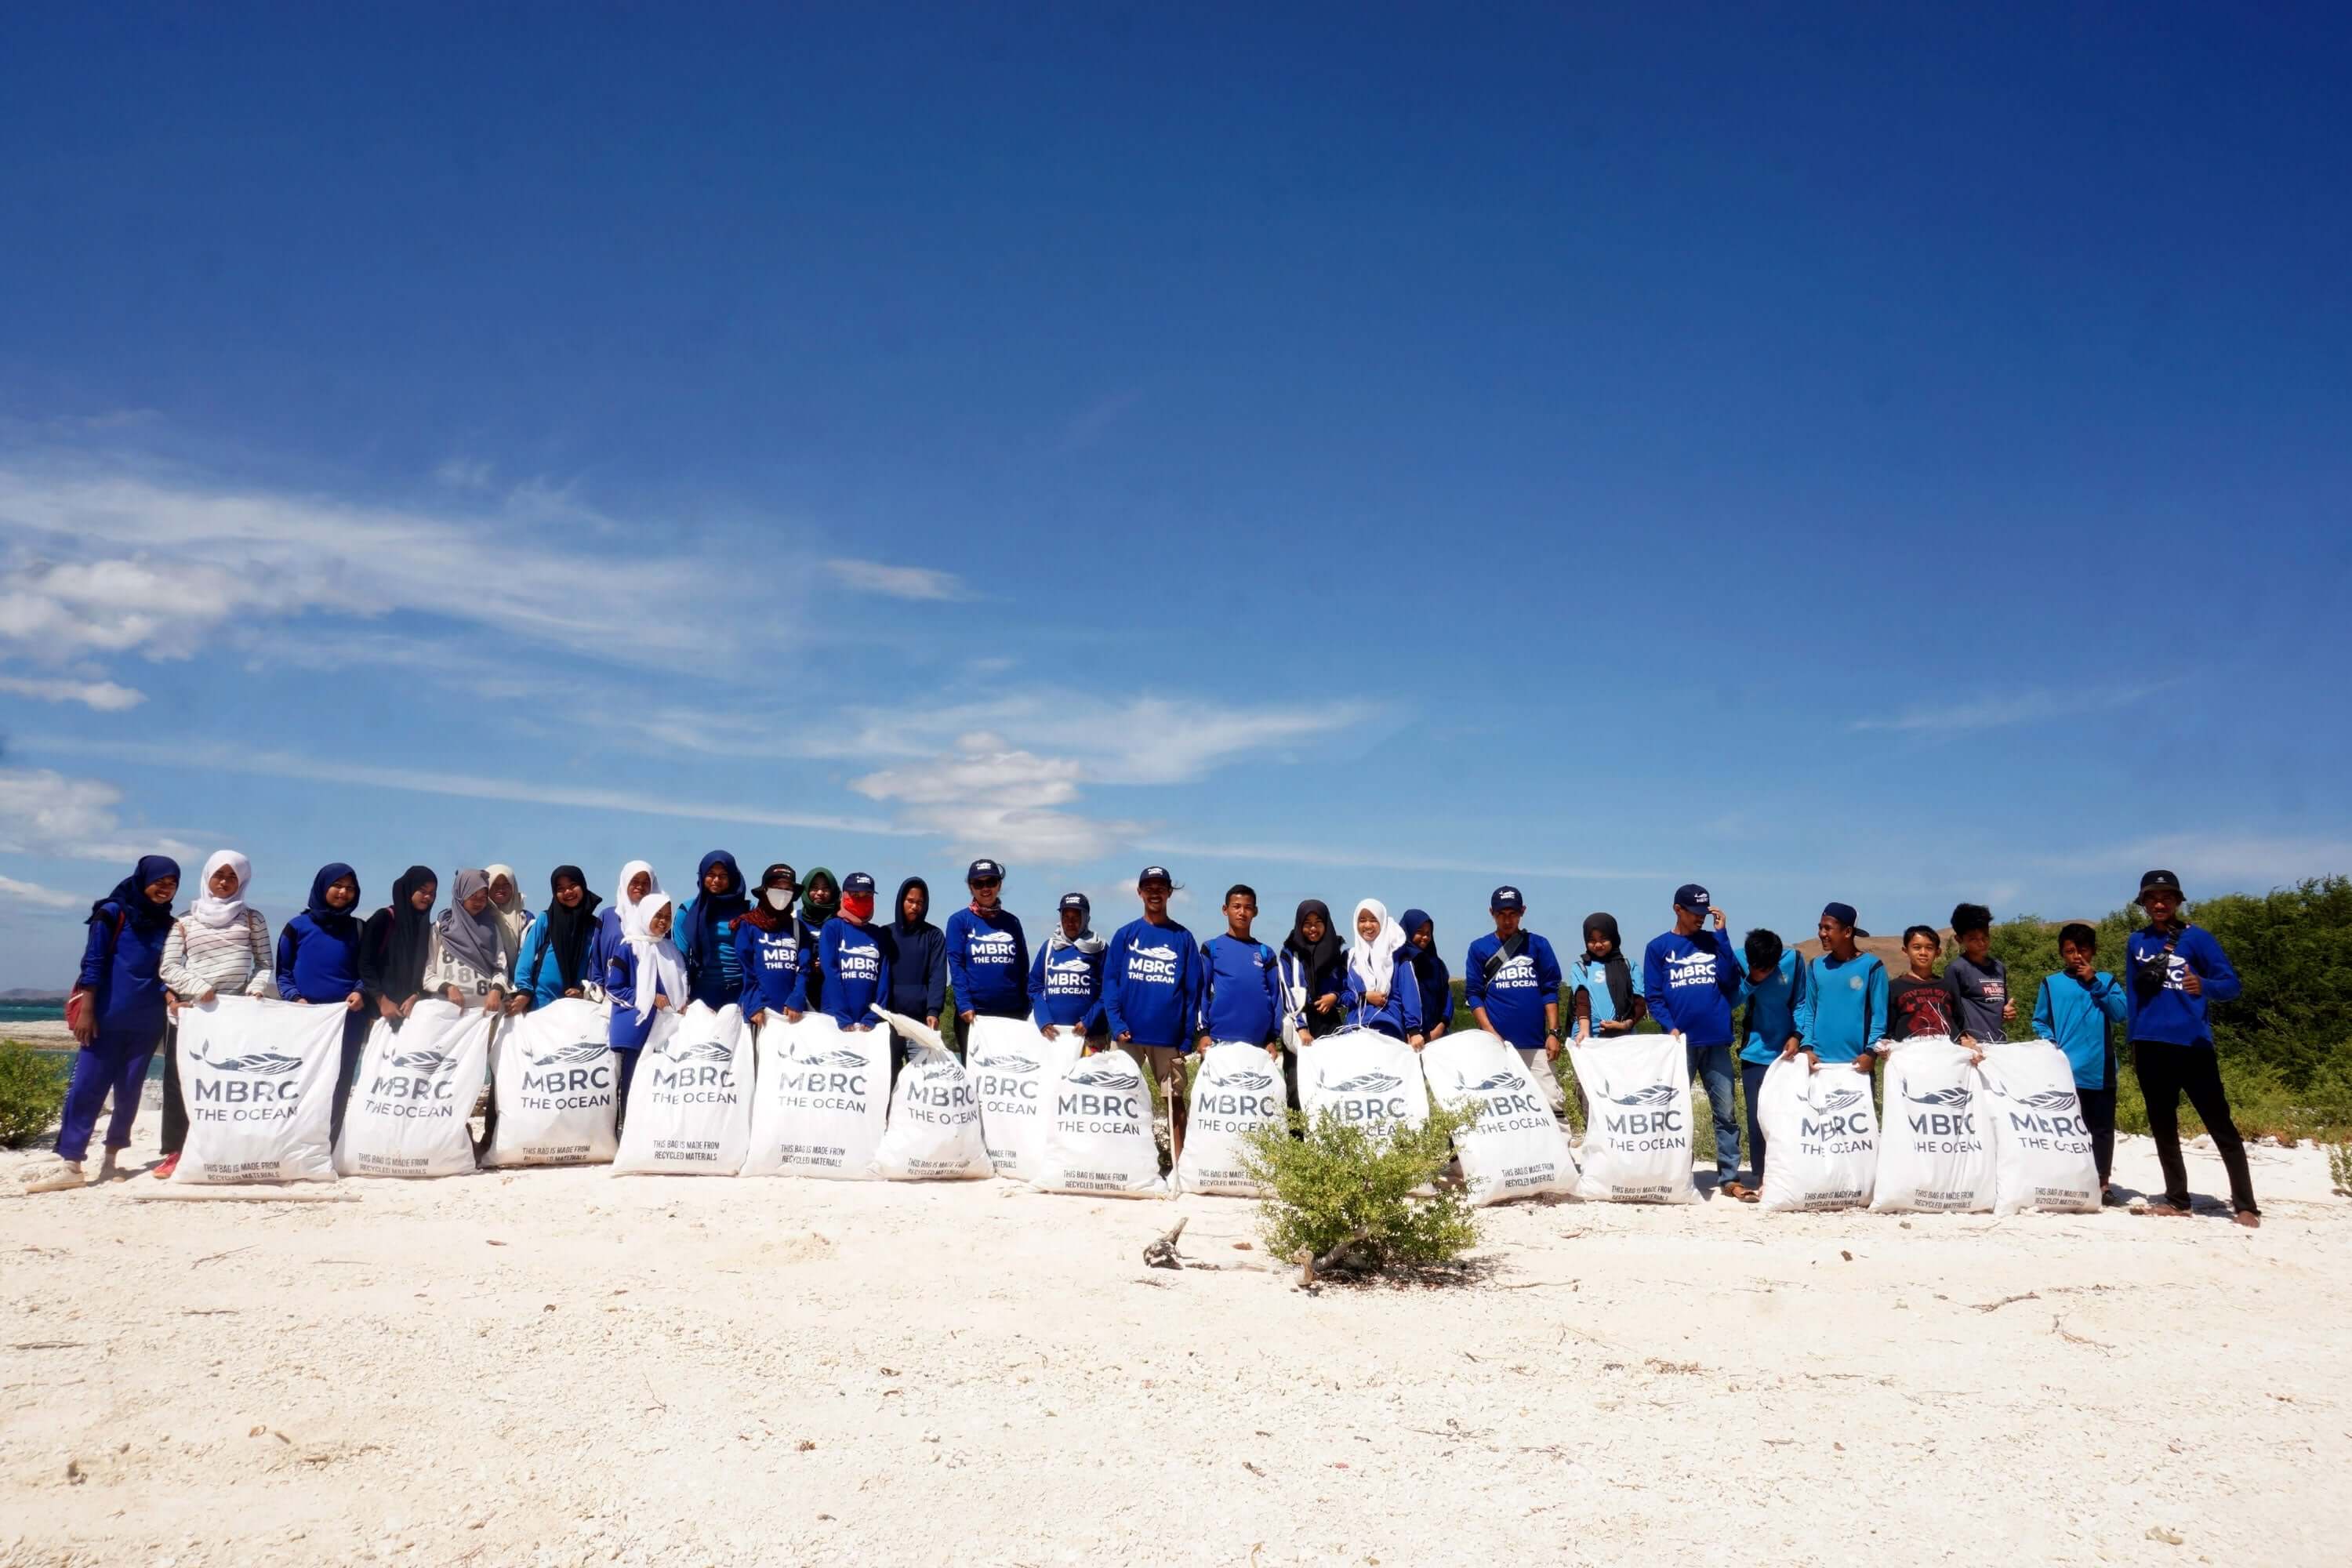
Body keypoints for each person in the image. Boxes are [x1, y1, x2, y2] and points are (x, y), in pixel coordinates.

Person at [23, 856, 180, 1192]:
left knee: (129, 1092)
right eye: (160, 881)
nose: (165, 889)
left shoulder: (170, 925)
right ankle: (72, 1163)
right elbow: (93, 962)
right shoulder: (112, 912)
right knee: (86, 1088)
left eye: (172, 884)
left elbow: (166, 973)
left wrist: (172, 999)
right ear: (143, 880)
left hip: (147, 1021)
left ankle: (111, 1160)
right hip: (103, 1018)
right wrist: (87, 1010)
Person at [2124, 869, 2256, 1226]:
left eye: (2167, 897)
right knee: (2163, 1125)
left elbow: (2232, 985)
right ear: (2143, 903)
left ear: (2179, 901)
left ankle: (2246, 1205)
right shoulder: (2136, 941)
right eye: (2152, 898)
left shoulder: (2198, 939)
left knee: (2220, 1123)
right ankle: (2177, 1200)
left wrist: (2205, 986)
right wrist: (2133, 1040)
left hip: (2193, 1045)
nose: (2160, 904)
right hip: (2150, 1045)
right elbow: (2134, 995)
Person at [154, 851, 275, 1179]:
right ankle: (176, 1151)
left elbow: (264, 963)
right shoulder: (185, 921)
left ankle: (227, 1149)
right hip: (192, 1011)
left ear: (243, 880)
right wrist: (198, 988)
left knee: (230, 1082)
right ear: (207, 876)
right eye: (219, 875)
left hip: (235, 1012)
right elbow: (168, 967)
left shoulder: (252, 919)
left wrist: (255, 990)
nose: (224, 882)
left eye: (232, 876)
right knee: (180, 1081)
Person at [1641, 884, 1744, 1197]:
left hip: (1716, 1040)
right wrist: (1669, 1027)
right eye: (1695, 913)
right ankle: (1676, 1173)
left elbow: (1731, 980)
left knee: (1726, 1112)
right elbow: (1654, 996)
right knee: (1673, 1112)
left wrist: (1722, 935)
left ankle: (1730, 1177)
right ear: (1678, 910)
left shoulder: (1714, 942)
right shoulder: (1658, 947)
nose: (1701, 918)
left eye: (1704, 913)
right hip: (1679, 1045)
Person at [1102, 866, 1204, 1167]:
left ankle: (1179, 1166)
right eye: (1149, 888)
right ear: (1140, 893)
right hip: (1128, 1036)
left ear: (1170, 893)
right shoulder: (1125, 935)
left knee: (1174, 1100)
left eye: (1161, 888)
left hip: (1168, 1037)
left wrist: (1186, 1037)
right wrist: (1116, 1024)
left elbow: (1193, 992)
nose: (1155, 893)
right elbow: (1110, 984)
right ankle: (1120, 1163)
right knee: (1119, 1099)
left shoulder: (1183, 938)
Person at [2033, 922, 2129, 1203]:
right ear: (2061, 953)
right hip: (2065, 1071)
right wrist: (2052, 1044)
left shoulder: (2107, 980)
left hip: (2101, 1068)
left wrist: (2094, 983)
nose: (2077, 956)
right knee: (2067, 1128)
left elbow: (2121, 1013)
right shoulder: (2051, 983)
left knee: (2102, 1130)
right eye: (2070, 951)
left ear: (2094, 950)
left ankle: (2102, 1184)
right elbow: (2039, 1020)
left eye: (2083, 950)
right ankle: (2069, 1181)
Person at [276, 863, 370, 1144]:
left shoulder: (359, 928)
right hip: (305, 1019)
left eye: (350, 888)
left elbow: (368, 971)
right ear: (322, 887)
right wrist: (295, 998)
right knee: (302, 1079)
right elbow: (283, 973)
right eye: (337, 886)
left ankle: (330, 1142)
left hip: (348, 1017)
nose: (343, 892)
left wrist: (360, 992)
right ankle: (296, 1140)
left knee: (340, 1079)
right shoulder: (297, 927)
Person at [1465, 886, 1566, 1114]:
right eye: (1501, 914)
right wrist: (1490, 1033)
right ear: (1491, 913)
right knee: (1499, 1104)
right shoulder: (1479, 948)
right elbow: (1474, 994)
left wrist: (1553, 1033)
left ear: (1523, 911)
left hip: (1536, 1044)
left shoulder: (1538, 945)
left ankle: (1561, 1138)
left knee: (1552, 1103)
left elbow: (1550, 990)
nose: (1507, 920)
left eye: (1513, 914)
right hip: (1497, 1045)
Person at [603, 891, 687, 1127]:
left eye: (668, 917)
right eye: (658, 915)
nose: (663, 921)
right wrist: (648, 998)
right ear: (646, 914)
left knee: (659, 1081)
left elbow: (682, 982)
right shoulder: (629, 947)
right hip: (637, 1028)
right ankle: (627, 1128)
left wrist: (682, 1002)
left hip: (666, 1029)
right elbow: (614, 989)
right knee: (633, 1081)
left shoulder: (671, 949)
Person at [1733, 928, 1805, 1201]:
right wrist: (1752, 980)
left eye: (1767, 968)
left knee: (1789, 1117)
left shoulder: (1795, 961)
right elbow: (1731, 1001)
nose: (1762, 972)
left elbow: (1801, 1002)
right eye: (1756, 966)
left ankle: (1792, 1173)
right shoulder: (1738, 960)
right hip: (1754, 1052)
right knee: (1757, 1118)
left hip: (1789, 1052)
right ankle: (1763, 1176)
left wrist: (1797, 1035)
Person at [1792, 902, 1887, 1073]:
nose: (1822, 933)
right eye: (1820, 928)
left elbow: (1879, 1016)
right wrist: (1806, 1048)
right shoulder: (1815, 966)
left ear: (1848, 932)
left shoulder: (1872, 966)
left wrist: (1870, 1053)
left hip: (1857, 1064)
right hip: (1818, 1064)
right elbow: (1809, 1012)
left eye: (1828, 928)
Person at [945, 859, 1029, 1044]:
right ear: (970, 887)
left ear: (999, 885)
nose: (985, 888)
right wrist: (964, 1004)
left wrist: (1026, 1007)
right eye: (978, 883)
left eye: (991, 882)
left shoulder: (1012, 922)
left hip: (1011, 1014)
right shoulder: (958, 921)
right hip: (974, 1015)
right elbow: (956, 966)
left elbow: (1023, 967)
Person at [1196, 884, 1281, 1057]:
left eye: (1248, 907)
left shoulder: (1266, 952)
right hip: (1219, 1042)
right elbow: (1201, 993)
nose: (1242, 912)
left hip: (1259, 1044)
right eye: (1236, 907)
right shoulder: (1211, 947)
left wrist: (1272, 1038)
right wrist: (1203, 1033)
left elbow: (1276, 998)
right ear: (1225, 910)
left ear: (1255, 912)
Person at [510, 866, 604, 1012]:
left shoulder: (594, 926)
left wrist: (584, 991)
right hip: (541, 1001)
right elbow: (526, 957)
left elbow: (597, 966)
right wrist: (524, 991)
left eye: (572, 885)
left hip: (577, 1004)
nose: (568, 892)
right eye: (561, 889)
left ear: (583, 885)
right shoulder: (546, 919)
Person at [811, 872, 892, 1034]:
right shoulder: (832, 928)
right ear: (845, 896)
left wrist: (873, 1015)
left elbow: (884, 978)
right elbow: (831, 972)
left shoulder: (879, 934)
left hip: (869, 1024)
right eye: (855, 895)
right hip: (834, 1019)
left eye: (867, 895)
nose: (862, 899)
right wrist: (842, 1016)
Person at [360, 866, 439, 1025]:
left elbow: (426, 968)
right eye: (423, 891)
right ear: (408, 889)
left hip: (411, 1013)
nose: (428, 897)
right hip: (378, 1012)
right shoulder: (384, 919)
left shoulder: (426, 928)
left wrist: (417, 995)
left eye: (432, 893)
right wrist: (381, 999)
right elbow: (365, 963)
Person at [424, 868, 512, 1011]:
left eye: (483, 897)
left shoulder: (491, 929)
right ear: (461, 895)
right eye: (473, 896)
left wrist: (497, 990)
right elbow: (427, 973)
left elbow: (501, 968)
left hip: (485, 1014)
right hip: (446, 1013)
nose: (479, 902)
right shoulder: (440, 928)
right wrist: (448, 988)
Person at [735, 864, 809, 1030]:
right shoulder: (748, 925)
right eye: (777, 887)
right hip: (757, 1014)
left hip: (792, 1015)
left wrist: (797, 998)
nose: (782, 893)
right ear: (765, 890)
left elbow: (804, 969)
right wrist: (754, 1004)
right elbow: (746, 970)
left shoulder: (799, 928)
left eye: (787, 889)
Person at [1340, 898, 1425, 1044]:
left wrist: (1414, 1030)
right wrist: (1364, 996)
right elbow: (1342, 995)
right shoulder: (1350, 958)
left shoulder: (1398, 956)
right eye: (1362, 920)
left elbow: (1409, 994)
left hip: (1389, 1030)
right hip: (1354, 1032)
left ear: (1382, 921)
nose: (1368, 925)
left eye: (1374, 920)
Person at [884, 875, 947, 1068]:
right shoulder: (884, 934)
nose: (915, 906)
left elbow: (938, 975)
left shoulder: (934, 936)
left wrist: (933, 1010)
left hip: (921, 1022)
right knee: (888, 1076)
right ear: (901, 901)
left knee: (923, 1077)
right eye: (910, 901)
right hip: (888, 1020)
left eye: (920, 903)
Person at [675, 851, 750, 1011]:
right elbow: (681, 958)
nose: (716, 880)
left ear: (732, 877)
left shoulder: (749, 911)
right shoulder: (687, 911)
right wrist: (681, 996)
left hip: (741, 993)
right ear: (702, 875)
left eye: (723, 875)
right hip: (703, 992)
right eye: (711, 874)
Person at [1029, 892, 1107, 1044]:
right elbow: (1034, 987)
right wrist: (1043, 1019)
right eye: (1066, 917)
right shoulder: (1049, 947)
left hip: (1090, 1036)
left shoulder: (1099, 948)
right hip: (1052, 1036)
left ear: (1086, 918)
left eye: (1076, 917)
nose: (1070, 922)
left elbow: (1109, 991)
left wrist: (1089, 1020)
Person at [1568, 913, 1646, 1044]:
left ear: (1613, 938)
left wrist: (1625, 1025)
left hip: (1624, 1038)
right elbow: (1582, 1000)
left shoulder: (1629, 966)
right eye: (1592, 940)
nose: (1598, 945)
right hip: (1588, 1037)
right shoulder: (1580, 967)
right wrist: (1584, 1031)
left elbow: (1640, 1003)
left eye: (1603, 939)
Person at [1945, 903, 2014, 1047]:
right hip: (1973, 1048)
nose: (1982, 943)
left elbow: (2003, 1008)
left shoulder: (1999, 967)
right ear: (1959, 939)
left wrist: (2009, 1013)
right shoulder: (1956, 969)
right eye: (1974, 939)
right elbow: (1948, 1012)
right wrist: (1962, 1038)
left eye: (1985, 937)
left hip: (2000, 1045)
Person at [1886, 925, 1962, 1042]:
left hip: (1947, 1049)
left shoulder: (1948, 986)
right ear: (1905, 951)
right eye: (1917, 947)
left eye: (1929, 948)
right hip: (1909, 1050)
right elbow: (1889, 1026)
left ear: (1938, 952)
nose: (1923, 953)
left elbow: (1959, 1021)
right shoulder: (1894, 987)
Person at [1396, 909, 1451, 1041]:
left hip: (1437, 1037)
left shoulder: (1437, 965)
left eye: (1428, 933)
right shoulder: (1398, 963)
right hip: (1407, 1039)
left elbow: (1447, 998)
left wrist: (1440, 1027)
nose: (1425, 937)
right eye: (1419, 932)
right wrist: (1411, 1032)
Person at [794, 867, 842, 1016]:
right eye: (814, 888)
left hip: (832, 993)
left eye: (826, 888)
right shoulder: (794, 919)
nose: (820, 893)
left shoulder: (841, 922)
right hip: (800, 992)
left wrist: (829, 964)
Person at [599, 860, 662, 964]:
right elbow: (596, 963)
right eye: (635, 881)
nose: (640, 886)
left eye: (646, 883)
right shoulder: (607, 917)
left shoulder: (661, 920)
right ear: (626, 882)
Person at [484, 865, 534, 958]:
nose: (501, 889)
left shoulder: (526, 919)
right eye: (495, 884)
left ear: (513, 887)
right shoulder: (479, 918)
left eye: (506, 884)